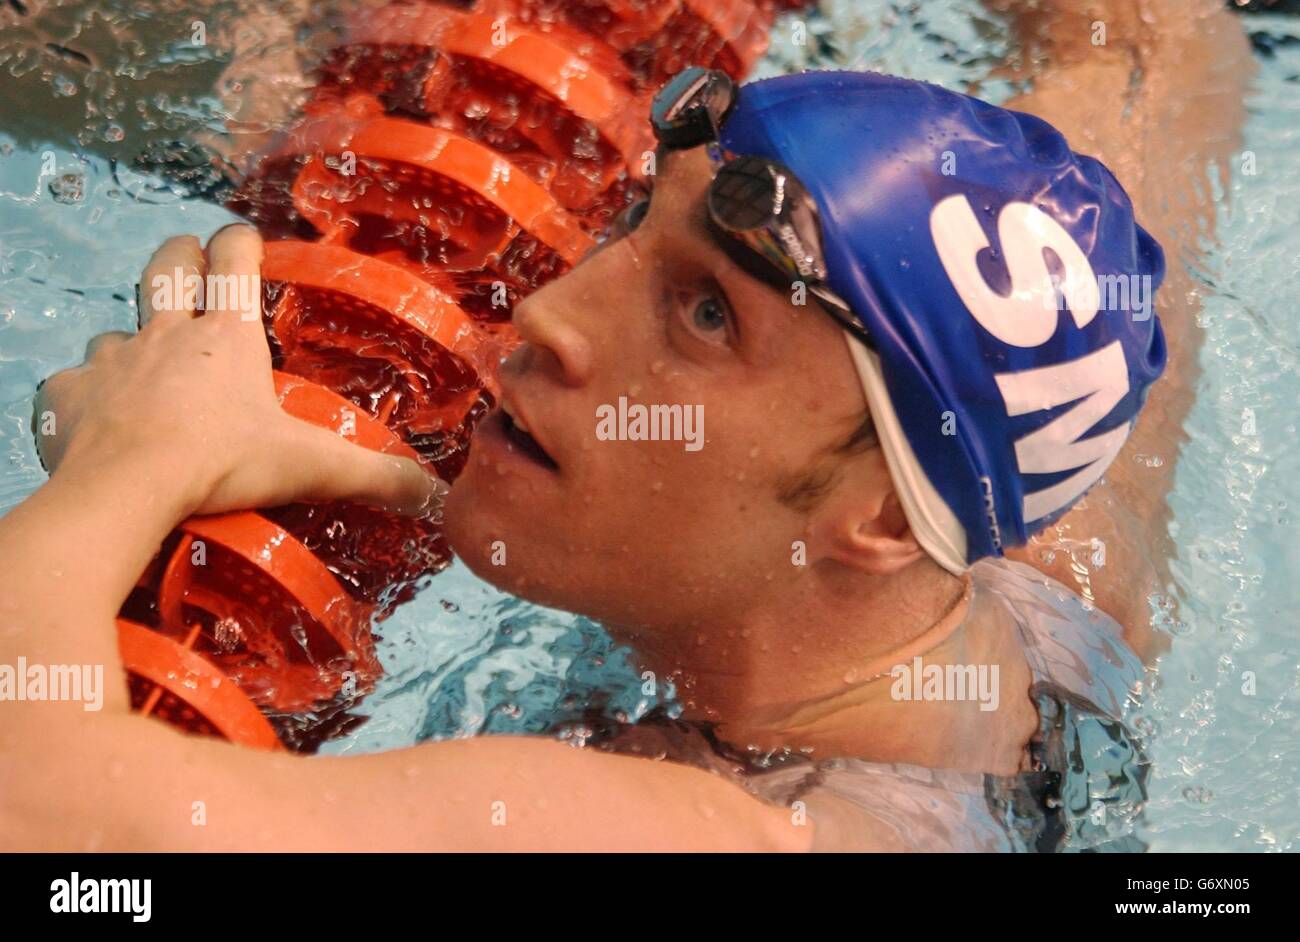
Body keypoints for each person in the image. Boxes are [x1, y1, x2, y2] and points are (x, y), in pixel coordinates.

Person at [0, 0, 1249, 851]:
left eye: (705, 313)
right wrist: (416, 487)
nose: (546, 310)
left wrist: (125, 464)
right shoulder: (1062, 589)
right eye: (638, 228)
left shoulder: (687, 827)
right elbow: (1167, 55)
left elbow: (45, 825)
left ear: (875, 513)